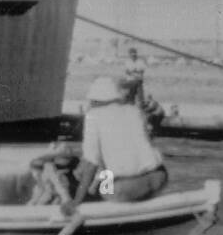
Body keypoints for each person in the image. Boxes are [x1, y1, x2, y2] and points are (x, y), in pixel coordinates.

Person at [63, 77, 167, 213]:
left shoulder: (93, 116)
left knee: (103, 185)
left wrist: (76, 201)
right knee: (107, 168)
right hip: (159, 177)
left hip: (128, 188)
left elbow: (91, 163)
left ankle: (104, 204)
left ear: (95, 99)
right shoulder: (133, 110)